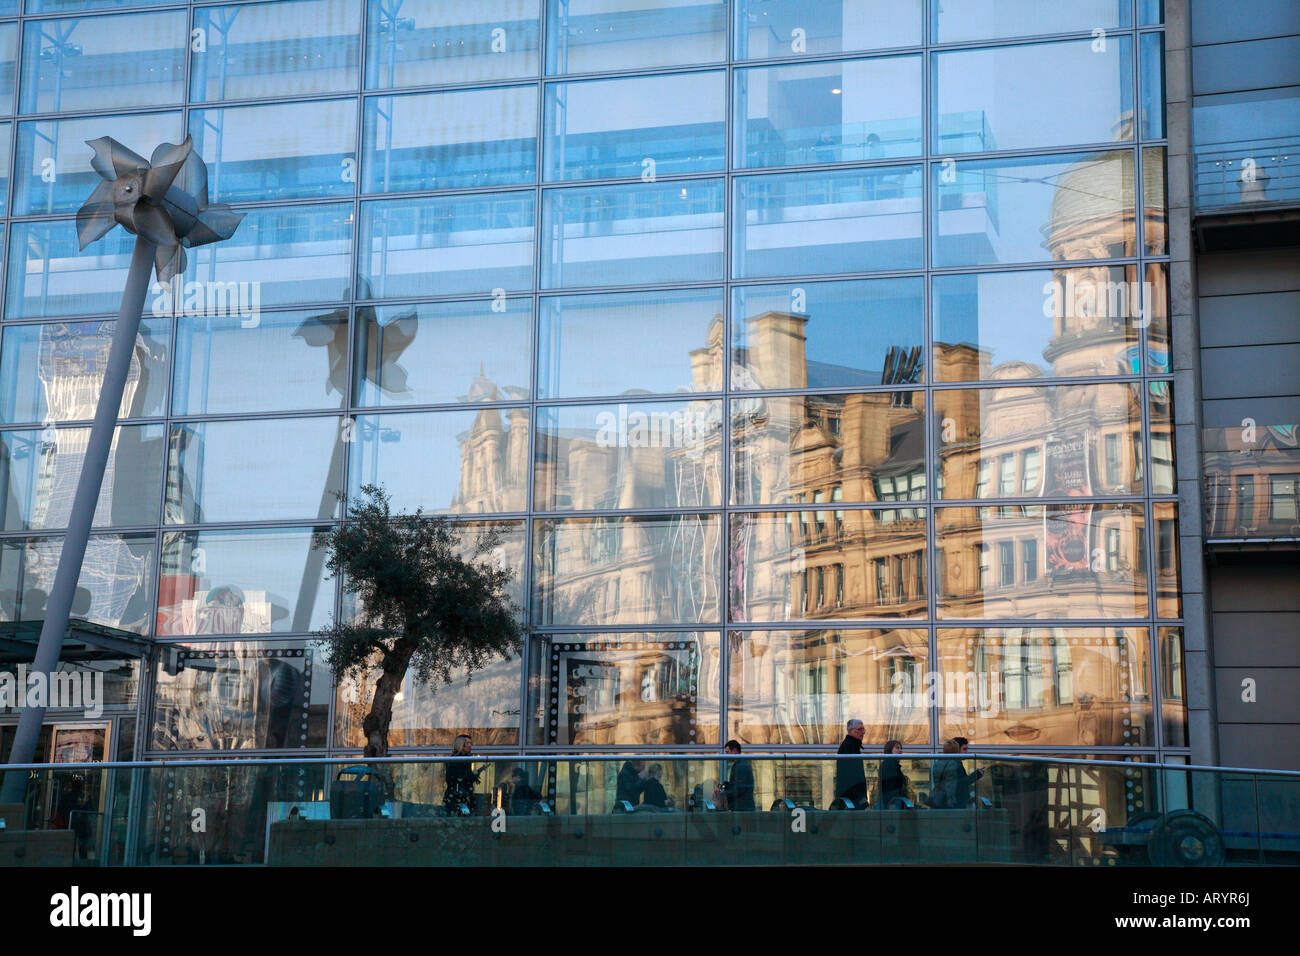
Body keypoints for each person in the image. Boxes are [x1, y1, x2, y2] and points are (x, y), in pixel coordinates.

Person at [929, 737, 985, 809]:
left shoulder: (941, 762)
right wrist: (976, 775)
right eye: (964, 749)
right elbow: (956, 783)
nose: (967, 752)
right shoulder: (954, 763)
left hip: (945, 803)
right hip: (953, 804)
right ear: (956, 749)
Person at [443, 734, 483, 815]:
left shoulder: (465, 759)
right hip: (458, 797)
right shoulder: (457, 760)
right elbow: (459, 778)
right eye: (467, 743)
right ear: (461, 744)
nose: (470, 746)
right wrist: (473, 774)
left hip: (461, 796)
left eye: (470, 743)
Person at [835, 719, 867, 806]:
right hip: (851, 798)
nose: (863, 732)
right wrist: (860, 799)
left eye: (863, 729)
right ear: (850, 731)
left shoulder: (853, 745)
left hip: (851, 796)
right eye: (859, 729)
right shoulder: (849, 746)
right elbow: (851, 775)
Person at [720, 740, 755, 811]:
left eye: (727, 752)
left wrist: (723, 794)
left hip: (742, 808)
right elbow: (738, 785)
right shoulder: (739, 764)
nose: (726, 755)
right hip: (742, 807)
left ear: (735, 751)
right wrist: (727, 785)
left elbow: (739, 789)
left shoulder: (741, 766)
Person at [878, 740, 909, 808]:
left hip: (894, 800)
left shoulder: (893, 764)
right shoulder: (889, 764)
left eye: (901, 748)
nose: (900, 750)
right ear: (889, 750)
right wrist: (892, 803)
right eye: (897, 748)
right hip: (893, 801)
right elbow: (889, 787)